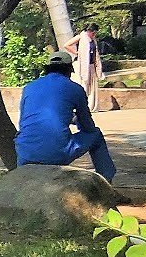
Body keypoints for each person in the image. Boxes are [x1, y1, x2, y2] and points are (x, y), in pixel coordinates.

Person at [14, 51, 117, 182]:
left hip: (25, 153)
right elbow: (88, 126)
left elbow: (24, 121)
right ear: (69, 70)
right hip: (57, 154)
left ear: (47, 69)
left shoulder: (29, 87)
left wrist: (70, 118)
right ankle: (106, 179)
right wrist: (76, 120)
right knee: (96, 135)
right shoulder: (75, 89)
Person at [62, 22, 104, 111]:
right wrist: (76, 53)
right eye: (93, 33)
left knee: (92, 86)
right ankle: (81, 106)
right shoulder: (81, 37)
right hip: (82, 65)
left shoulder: (93, 40)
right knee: (83, 85)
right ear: (89, 31)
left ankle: (91, 106)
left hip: (91, 65)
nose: (94, 34)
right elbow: (66, 45)